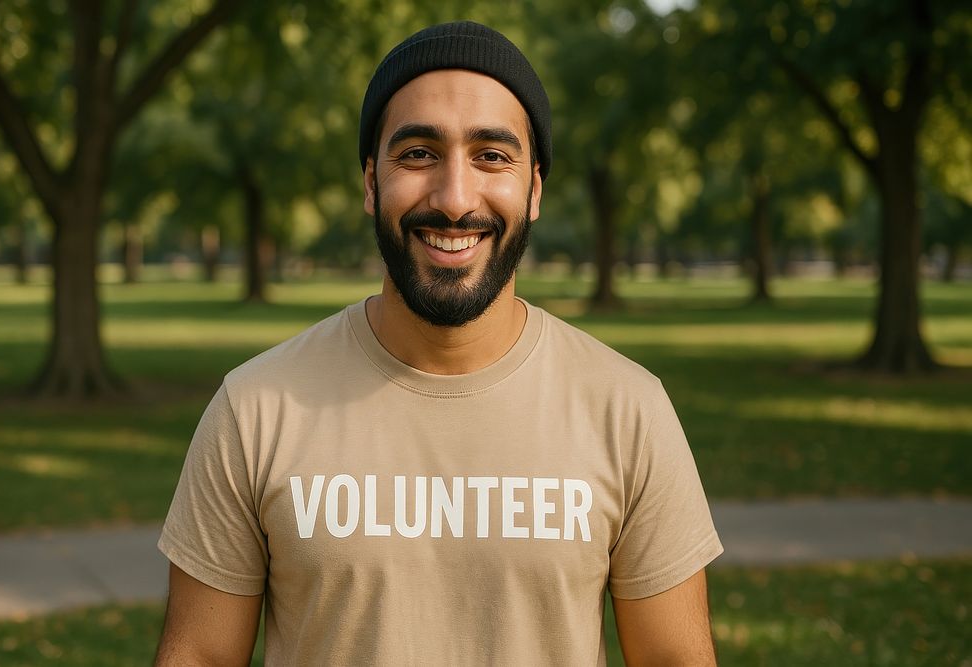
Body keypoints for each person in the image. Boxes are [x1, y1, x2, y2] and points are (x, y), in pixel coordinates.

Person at [154, 20, 723, 666]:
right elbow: (197, 654)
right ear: (371, 183)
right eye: (419, 153)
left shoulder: (629, 412)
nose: (455, 199)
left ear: (534, 188)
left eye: (492, 155)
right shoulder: (254, 411)